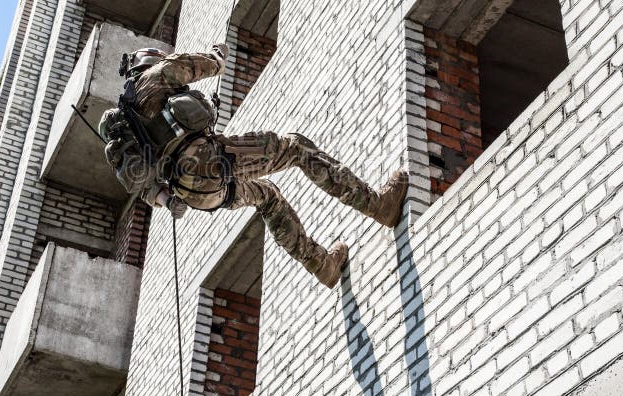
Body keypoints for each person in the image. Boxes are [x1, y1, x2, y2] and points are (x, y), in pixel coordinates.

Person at [98, 45, 408, 289]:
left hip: (194, 193)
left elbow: (142, 183)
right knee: (296, 148)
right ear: (150, 65)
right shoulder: (158, 76)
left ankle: (323, 266)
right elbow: (204, 64)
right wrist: (218, 56)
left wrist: (166, 201)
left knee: (268, 197)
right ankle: (379, 206)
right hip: (212, 162)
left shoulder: (125, 126)